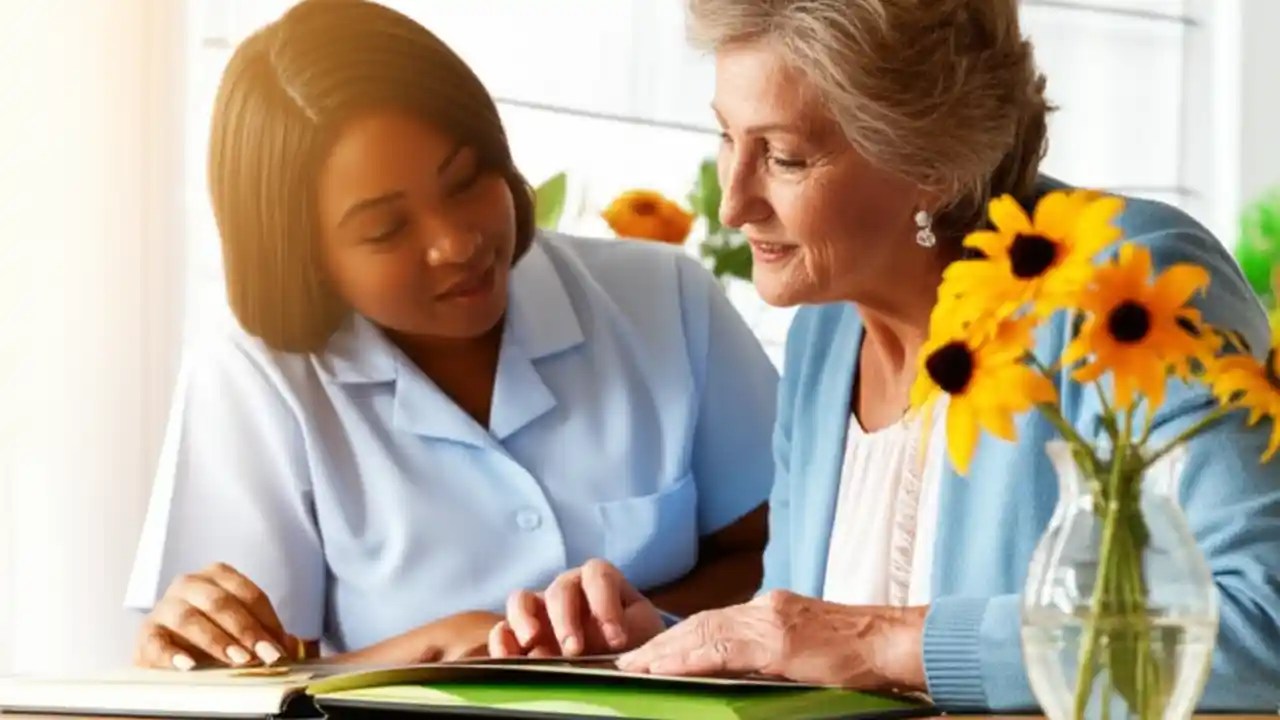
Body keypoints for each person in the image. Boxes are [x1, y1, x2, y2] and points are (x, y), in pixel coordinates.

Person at [491, 0, 1280, 711]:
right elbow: (811, 643)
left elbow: (1262, 625)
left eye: (786, 157)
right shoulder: (826, 333)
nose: (733, 202)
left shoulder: (1122, 282)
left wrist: (884, 643)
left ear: (931, 166)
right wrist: (656, 649)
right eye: (728, 138)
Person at [123, 0, 778, 671]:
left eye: (466, 182)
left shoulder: (663, 300)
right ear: (303, 253)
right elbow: (242, 675)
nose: (456, 243)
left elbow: (786, 550)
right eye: (385, 230)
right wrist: (439, 647)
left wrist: (646, 631)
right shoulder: (253, 378)